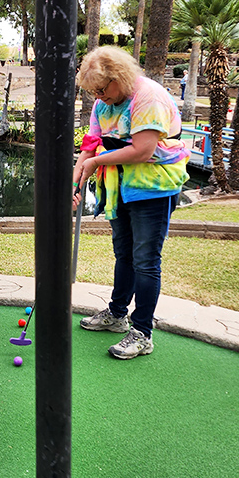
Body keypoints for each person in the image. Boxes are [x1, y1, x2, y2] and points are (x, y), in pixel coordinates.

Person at [72, 47, 190, 358]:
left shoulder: (148, 97)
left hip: (154, 187)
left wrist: (95, 163)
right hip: (120, 187)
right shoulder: (103, 103)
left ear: (119, 77)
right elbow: (90, 145)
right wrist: (74, 183)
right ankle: (117, 314)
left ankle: (142, 333)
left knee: (146, 260)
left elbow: (142, 150)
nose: (99, 96)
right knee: (124, 253)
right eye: (94, 91)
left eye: (102, 89)